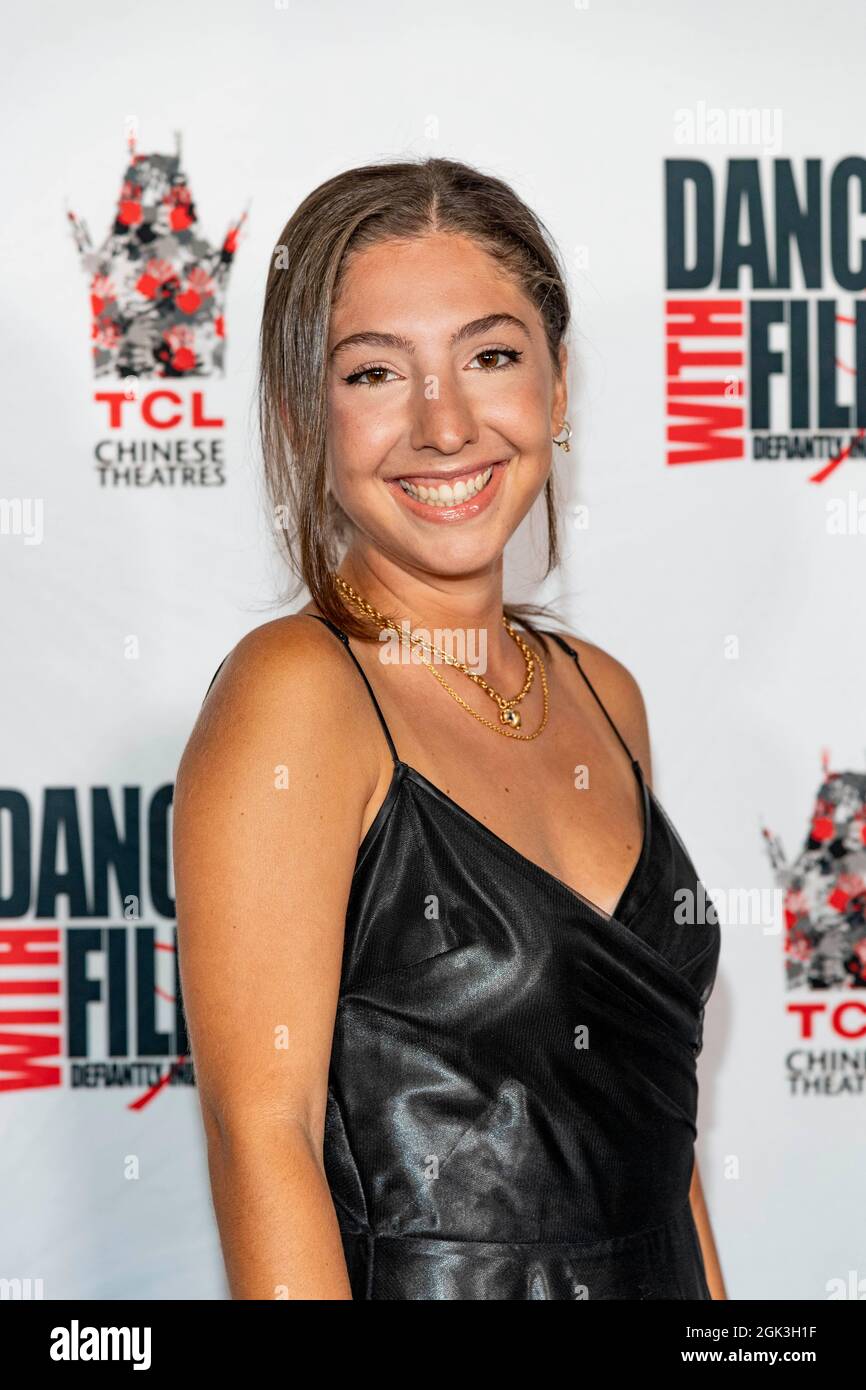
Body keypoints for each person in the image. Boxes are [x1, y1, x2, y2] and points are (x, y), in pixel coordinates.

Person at [173, 156, 726, 1301]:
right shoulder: (298, 695)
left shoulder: (602, 695)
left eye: (489, 356)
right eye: (376, 373)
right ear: (301, 413)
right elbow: (259, 1136)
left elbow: (661, 1159)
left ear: (556, 387)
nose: (443, 424)